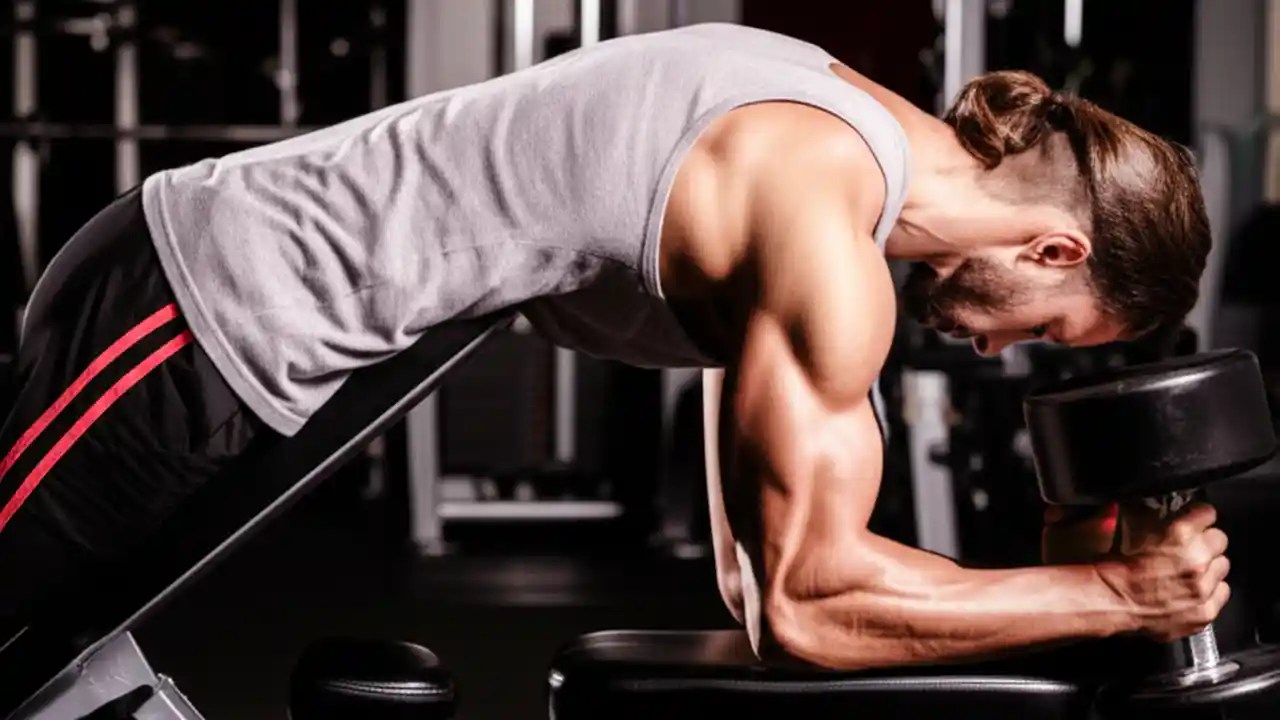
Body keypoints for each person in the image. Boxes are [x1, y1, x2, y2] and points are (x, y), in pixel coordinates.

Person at [0, 23, 1217, 671]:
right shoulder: (816, 224)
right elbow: (805, 607)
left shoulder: (825, 129)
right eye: (1048, 330)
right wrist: (1111, 597)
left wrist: (1074, 582)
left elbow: (756, 582)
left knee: (51, 647)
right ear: (1057, 251)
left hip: (217, 308)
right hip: (201, 301)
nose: (1006, 355)